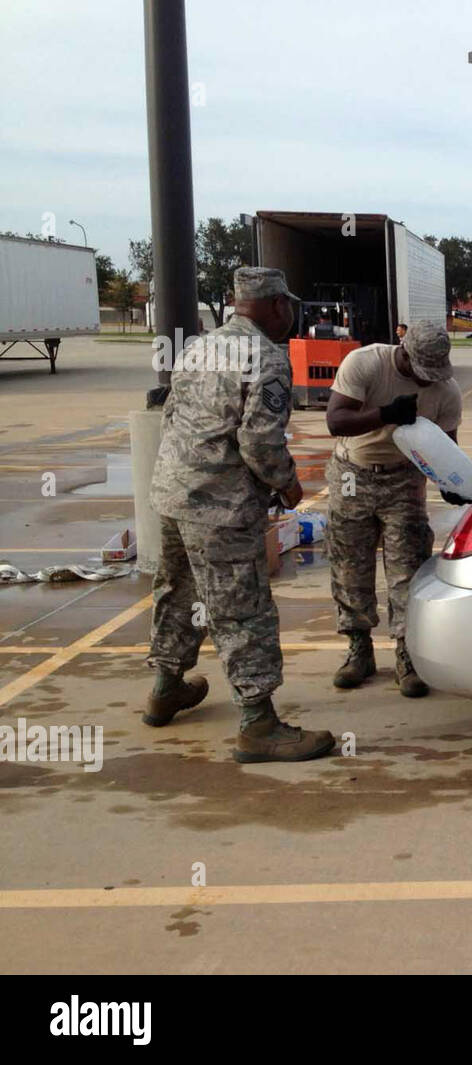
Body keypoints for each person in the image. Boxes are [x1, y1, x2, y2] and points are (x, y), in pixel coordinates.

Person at [146, 267, 335, 763]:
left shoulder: (198, 347)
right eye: (288, 306)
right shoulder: (267, 358)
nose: (290, 314)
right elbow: (259, 442)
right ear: (275, 305)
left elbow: (171, 415)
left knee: (179, 591)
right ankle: (258, 725)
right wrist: (287, 482)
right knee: (242, 609)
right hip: (221, 508)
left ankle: (166, 686)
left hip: (172, 495)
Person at [325, 320, 465, 698]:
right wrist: (384, 415)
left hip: (404, 480)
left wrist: (451, 483)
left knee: (407, 571)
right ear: (403, 350)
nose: (426, 383)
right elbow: (335, 421)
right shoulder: (365, 364)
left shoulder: (446, 391)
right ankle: (359, 650)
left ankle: (406, 654)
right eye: (421, 372)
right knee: (350, 566)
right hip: (353, 475)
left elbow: (446, 446)